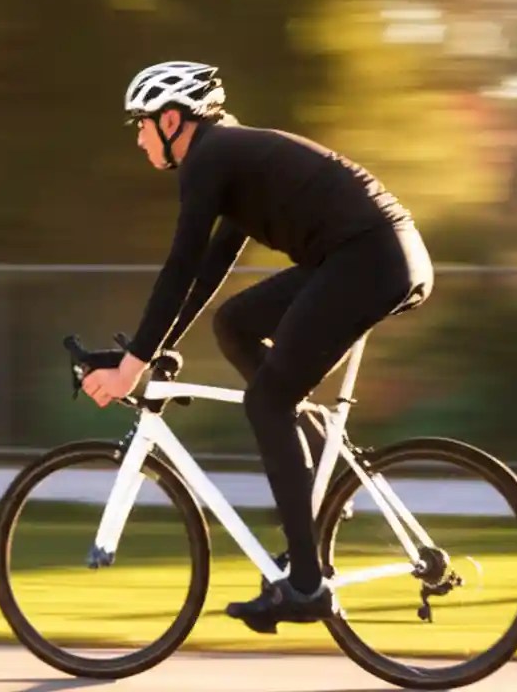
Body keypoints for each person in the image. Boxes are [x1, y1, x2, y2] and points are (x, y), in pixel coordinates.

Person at [80, 60, 434, 633]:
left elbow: (180, 266)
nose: (139, 136)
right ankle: (313, 447)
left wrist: (133, 365)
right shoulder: (232, 156)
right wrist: (153, 348)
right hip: (369, 257)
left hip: (369, 260)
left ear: (172, 120)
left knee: (266, 403)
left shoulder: (211, 159)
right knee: (236, 323)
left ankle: (305, 585)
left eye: (141, 124)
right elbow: (208, 270)